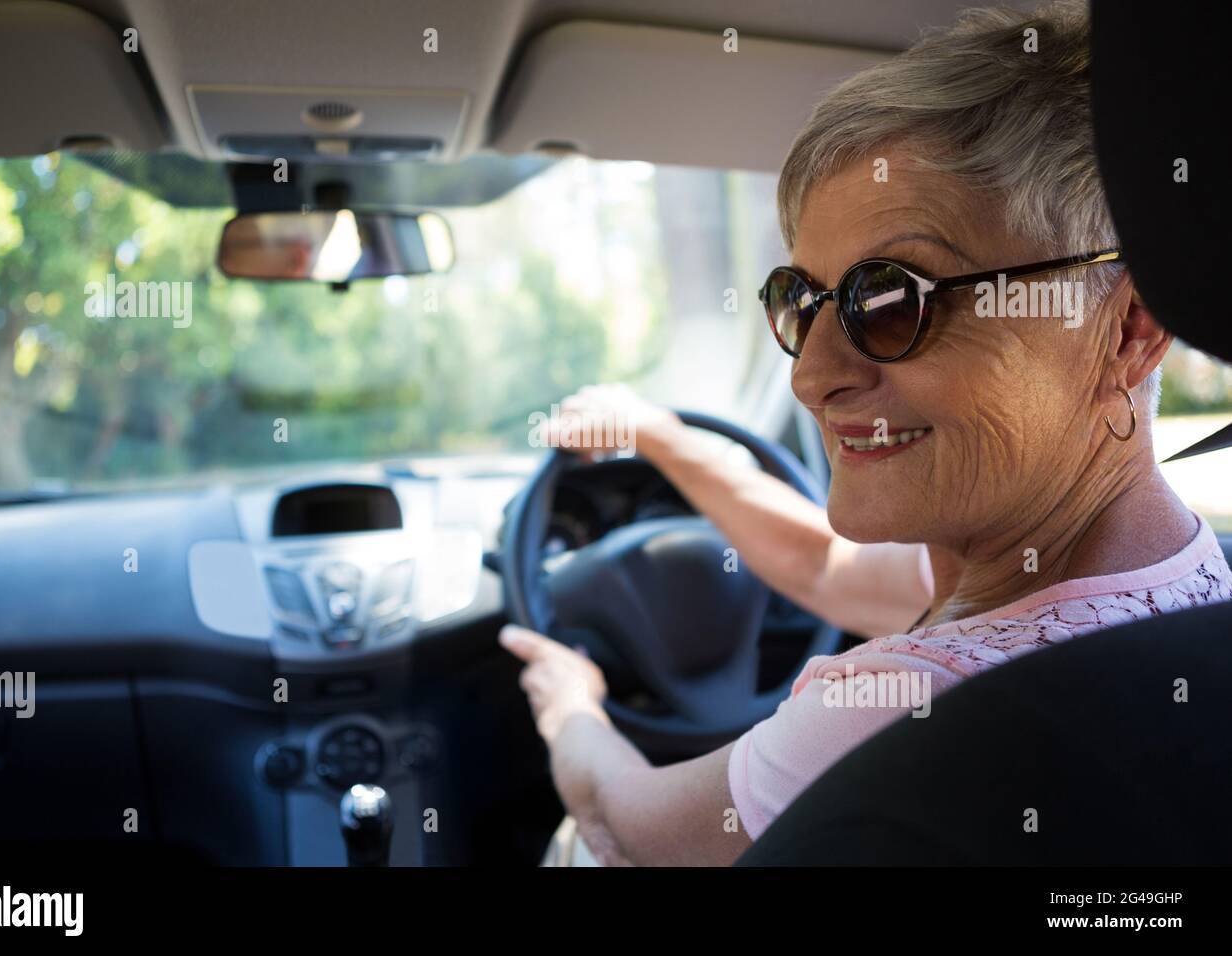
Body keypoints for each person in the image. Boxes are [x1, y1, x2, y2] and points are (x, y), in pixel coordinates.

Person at [500, 1, 1232, 866]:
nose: (810, 375)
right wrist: (663, 438)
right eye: (797, 303)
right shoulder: (1185, 572)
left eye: (890, 302)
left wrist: (572, 707)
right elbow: (824, 566)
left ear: (1128, 331)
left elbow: (628, 823)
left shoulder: (895, 708)